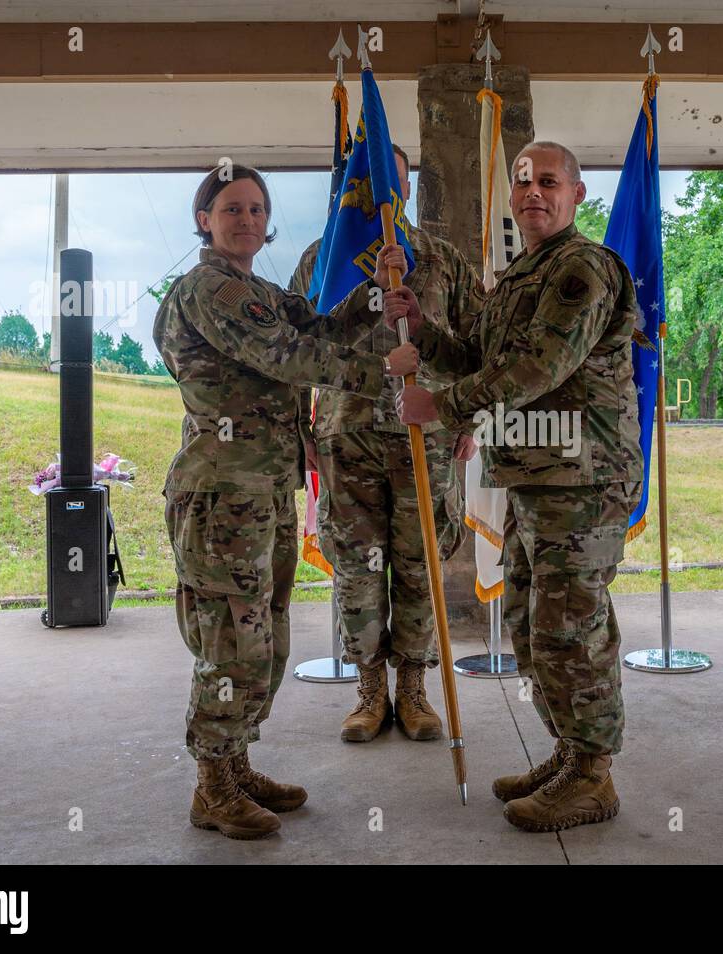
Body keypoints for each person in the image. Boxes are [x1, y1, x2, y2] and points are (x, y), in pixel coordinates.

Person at [153, 164, 419, 839]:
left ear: (268, 224)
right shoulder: (210, 287)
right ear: (204, 220)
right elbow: (289, 356)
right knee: (230, 640)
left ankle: (236, 764)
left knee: (262, 636)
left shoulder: (262, 290)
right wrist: (380, 368)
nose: (245, 219)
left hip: (264, 486)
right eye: (231, 208)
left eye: (255, 209)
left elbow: (319, 327)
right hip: (222, 490)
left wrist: (372, 300)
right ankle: (212, 782)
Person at [384, 141, 644, 832]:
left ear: (577, 194)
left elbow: (541, 366)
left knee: (571, 631)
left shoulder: (581, 267)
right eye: (523, 181)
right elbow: (481, 357)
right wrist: (421, 328)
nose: (533, 191)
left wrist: (441, 405)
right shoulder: (524, 274)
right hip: (537, 480)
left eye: (549, 180)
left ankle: (593, 775)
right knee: (536, 632)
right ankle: (568, 752)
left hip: (582, 480)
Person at [288, 145, 484, 744]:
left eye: (393, 183)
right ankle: (369, 688)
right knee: (357, 567)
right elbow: (294, 352)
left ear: (408, 186)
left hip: (427, 435)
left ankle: (414, 687)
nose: (381, 195)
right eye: (369, 183)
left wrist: (469, 417)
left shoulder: (442, 259)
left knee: (421, 564)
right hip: (347, 437)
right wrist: (302, 432)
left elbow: (477, 345)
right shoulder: (324, 259)